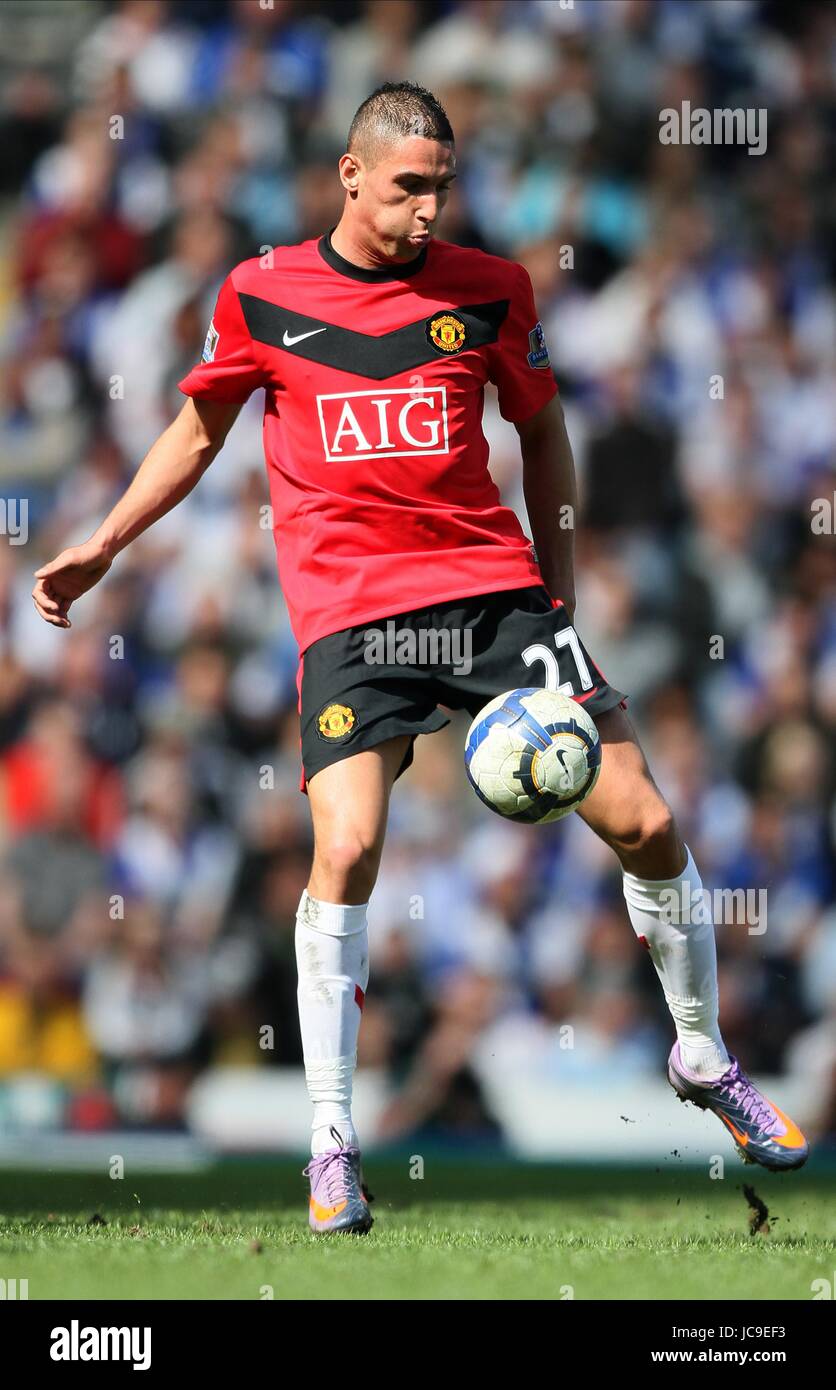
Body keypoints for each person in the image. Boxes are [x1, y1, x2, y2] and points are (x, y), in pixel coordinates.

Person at [32, 82, 808, 1236]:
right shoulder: (259, 295)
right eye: (405, 187)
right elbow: (199, 430)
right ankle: (332, 1142)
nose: (426, 210)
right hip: (350, 617)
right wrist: (100, 542)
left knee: (646, 819)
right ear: (349, 175)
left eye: (440, 187)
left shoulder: (492, 291)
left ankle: (699, 1055)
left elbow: (540, 431)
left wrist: (562, 593)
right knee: (343, 848)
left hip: (495, 597)